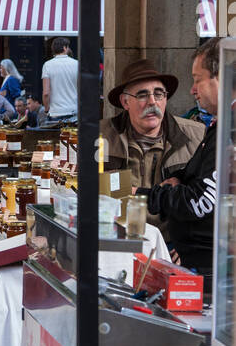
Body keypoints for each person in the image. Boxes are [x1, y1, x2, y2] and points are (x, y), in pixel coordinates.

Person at [138, 41, 219, 294]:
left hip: (208, 270)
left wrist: (144, 195)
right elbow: (200, 175)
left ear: (222, 78)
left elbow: (201, 201)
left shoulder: (229, 130)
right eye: (142, 95)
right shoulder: (219, 126)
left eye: (198, 80)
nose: (193, 90)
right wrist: (179, 178)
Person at [99, 59, 205, 193]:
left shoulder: (198, 136)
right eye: (142, 95)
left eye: (158, 94)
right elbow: (84, 184)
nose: (152, 102)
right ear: (125, 102)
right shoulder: (100, 134)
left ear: (166, 98)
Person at [41, 36, 79, 123]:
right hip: (73, 110)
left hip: (55, 112)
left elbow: (46, 93)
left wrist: (46, 109)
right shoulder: (77, 64)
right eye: (68, 47)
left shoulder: (47, 65)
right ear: (65, 48)